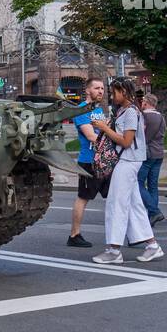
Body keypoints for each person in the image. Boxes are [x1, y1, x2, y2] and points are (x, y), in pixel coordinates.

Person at [91, 77, 163, 265]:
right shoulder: (125, 111)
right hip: (128, 160)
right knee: (133, 205)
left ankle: (114, 250)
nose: (112, 95)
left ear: (124, 92)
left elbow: (126, 141)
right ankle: (152, 246)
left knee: (117, 204)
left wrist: (105, 128)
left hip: (128, 161)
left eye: (114, 92)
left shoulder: (130, 112)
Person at [67, 77, 109, 248]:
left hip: (105, 160)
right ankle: (74, 235)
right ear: (87, 90)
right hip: (89, 161)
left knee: (115, 197)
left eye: (102, 88)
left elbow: (106, 129)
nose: (101, 91)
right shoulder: (81, 110)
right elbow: (91, 136)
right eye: (97, 88)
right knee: (83, 197)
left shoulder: (98, 110)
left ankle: (126, 233)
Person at [136, 93, 167, 225]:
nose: (142, 103)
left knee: (138, 183)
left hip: (147, 154)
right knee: (153, 186)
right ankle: (152, 216)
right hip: (159, 153)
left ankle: (154, 211)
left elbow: (144, 137)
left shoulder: (145, 116)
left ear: (147, 102)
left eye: (143, 101)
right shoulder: (161, 116)